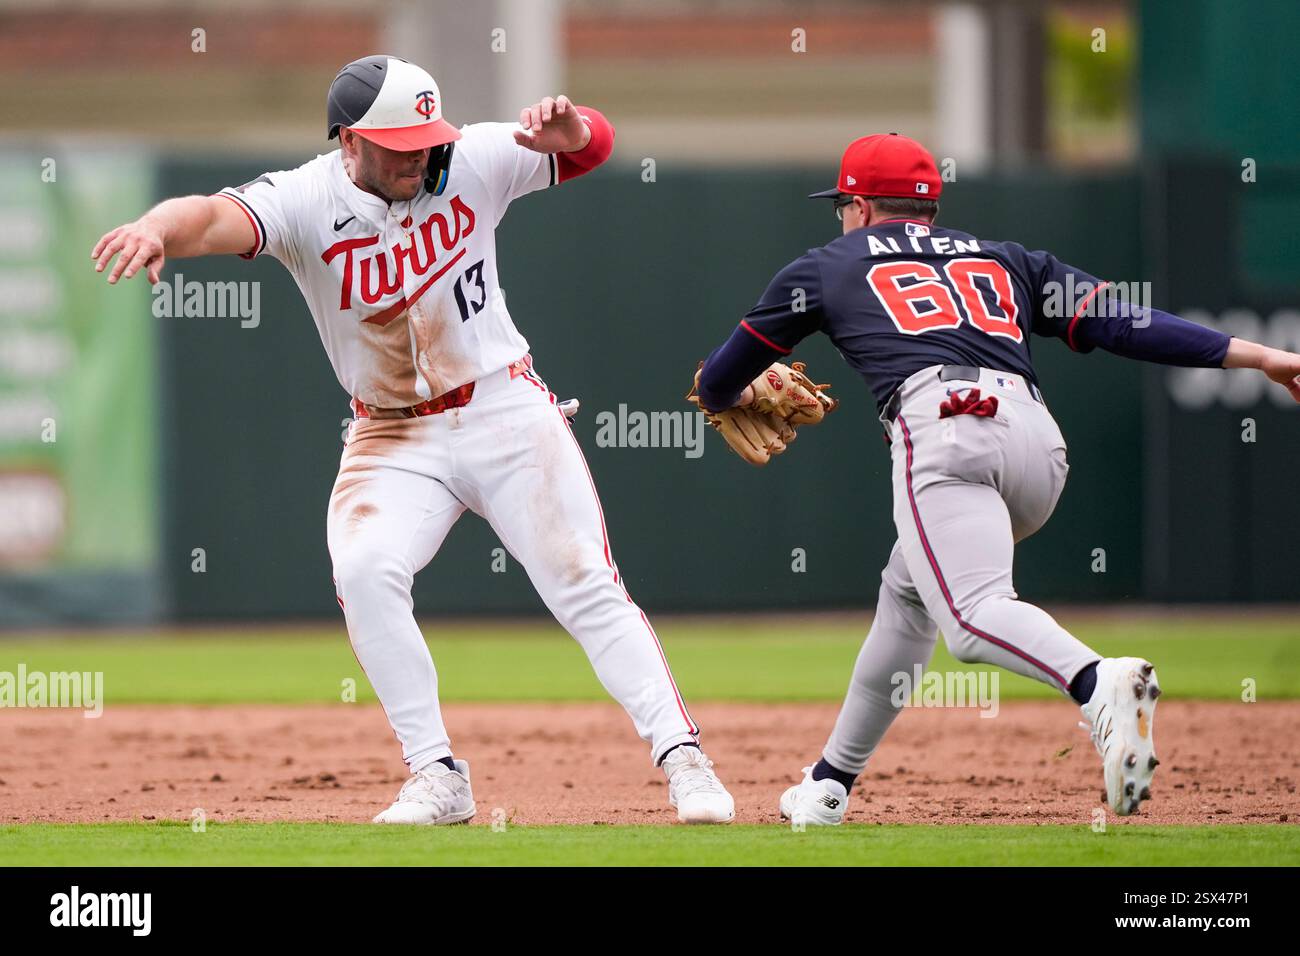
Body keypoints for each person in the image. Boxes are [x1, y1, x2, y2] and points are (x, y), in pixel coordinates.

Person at [92, 55, 734, 826]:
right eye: (398, 141)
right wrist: (153, 228)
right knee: (364, 568)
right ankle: (437, 773)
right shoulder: (302, 199)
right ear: (348, 142)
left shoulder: (471, 159)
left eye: (426, 136)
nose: (419, 154)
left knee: (583, 580)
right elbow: (204, 216)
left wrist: (577, 129)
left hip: (503, 408)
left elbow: (587, 148)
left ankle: (683, 759)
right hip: (391, 434)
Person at [694, 132, 1300, 823]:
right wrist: (1262, 358)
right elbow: (1129, 325)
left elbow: (719, 378)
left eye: (843, 206)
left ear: (859, 207)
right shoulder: (1006, 259)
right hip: (1037, 448)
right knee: (910, 592)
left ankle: (1098, 681)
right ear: (928, 208)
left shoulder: (828, 266)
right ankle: (829, 786)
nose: (841, 218)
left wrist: (726, 398)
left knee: (971, 619)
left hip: (944, 429)